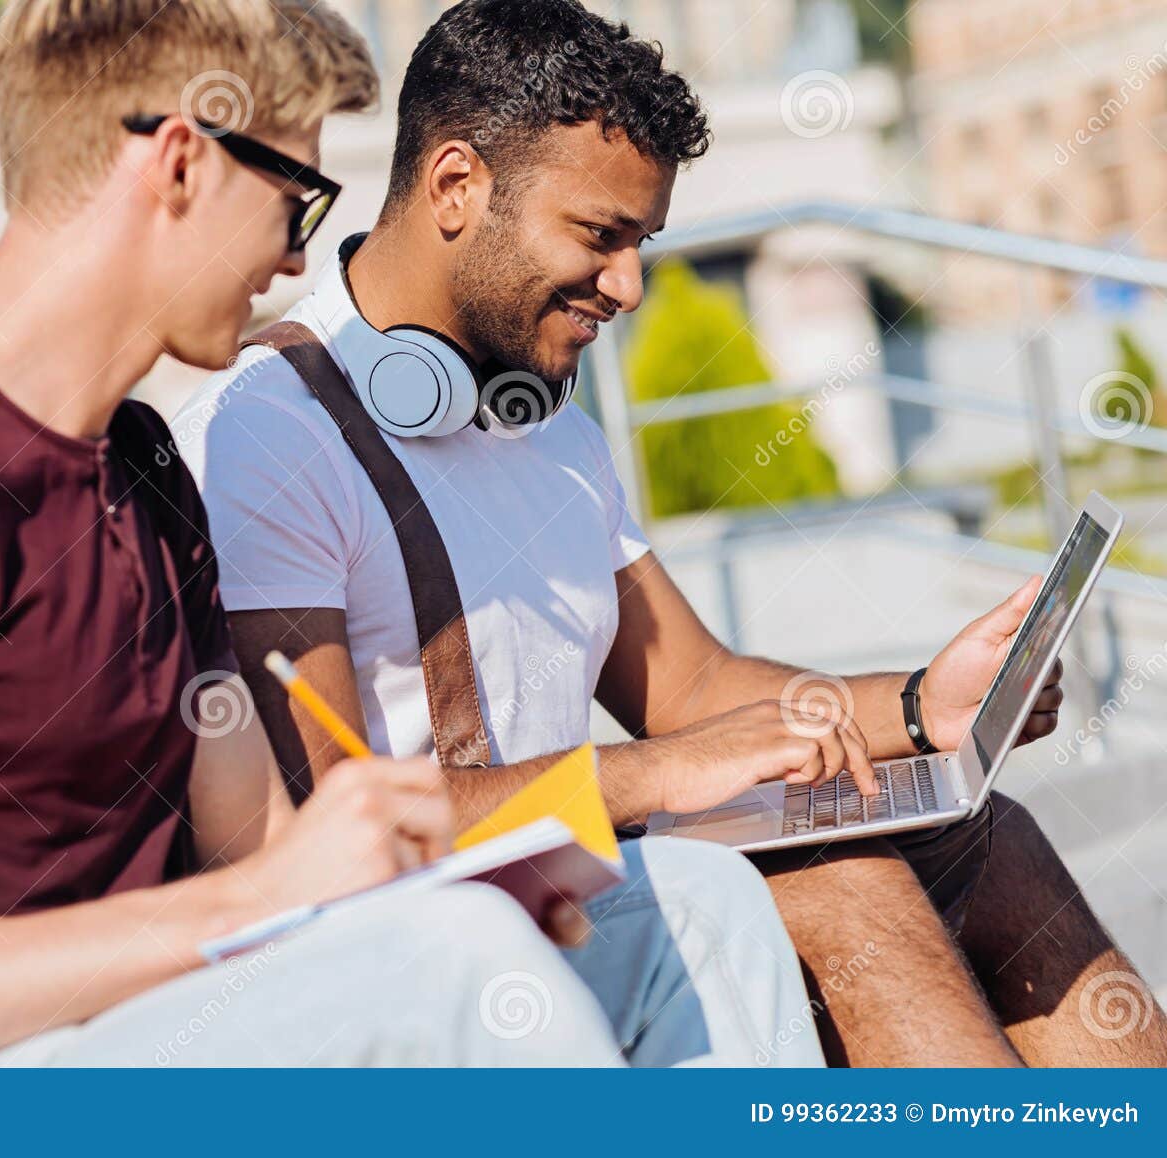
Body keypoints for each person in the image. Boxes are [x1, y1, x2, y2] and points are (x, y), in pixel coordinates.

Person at [0, 0, 632, 1069]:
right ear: (179, 164)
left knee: (685, 913)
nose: (295, 263)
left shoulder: (143, 467)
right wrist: (275, 902)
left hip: (138, 1040)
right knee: (453, 979)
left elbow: (263, 850)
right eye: (293, 203)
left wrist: (420, 869)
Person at [173, 0, 1167, 1067]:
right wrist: (658, 775)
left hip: (588, 876)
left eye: (640, 244)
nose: (629, 288)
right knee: (839, 883)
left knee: (986, 833)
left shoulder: (542, 416)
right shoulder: (272, 430)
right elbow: (334, 821)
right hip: (436, 934)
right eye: (600, 238)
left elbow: (686, 687)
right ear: (456, 185)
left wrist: (926, 705)